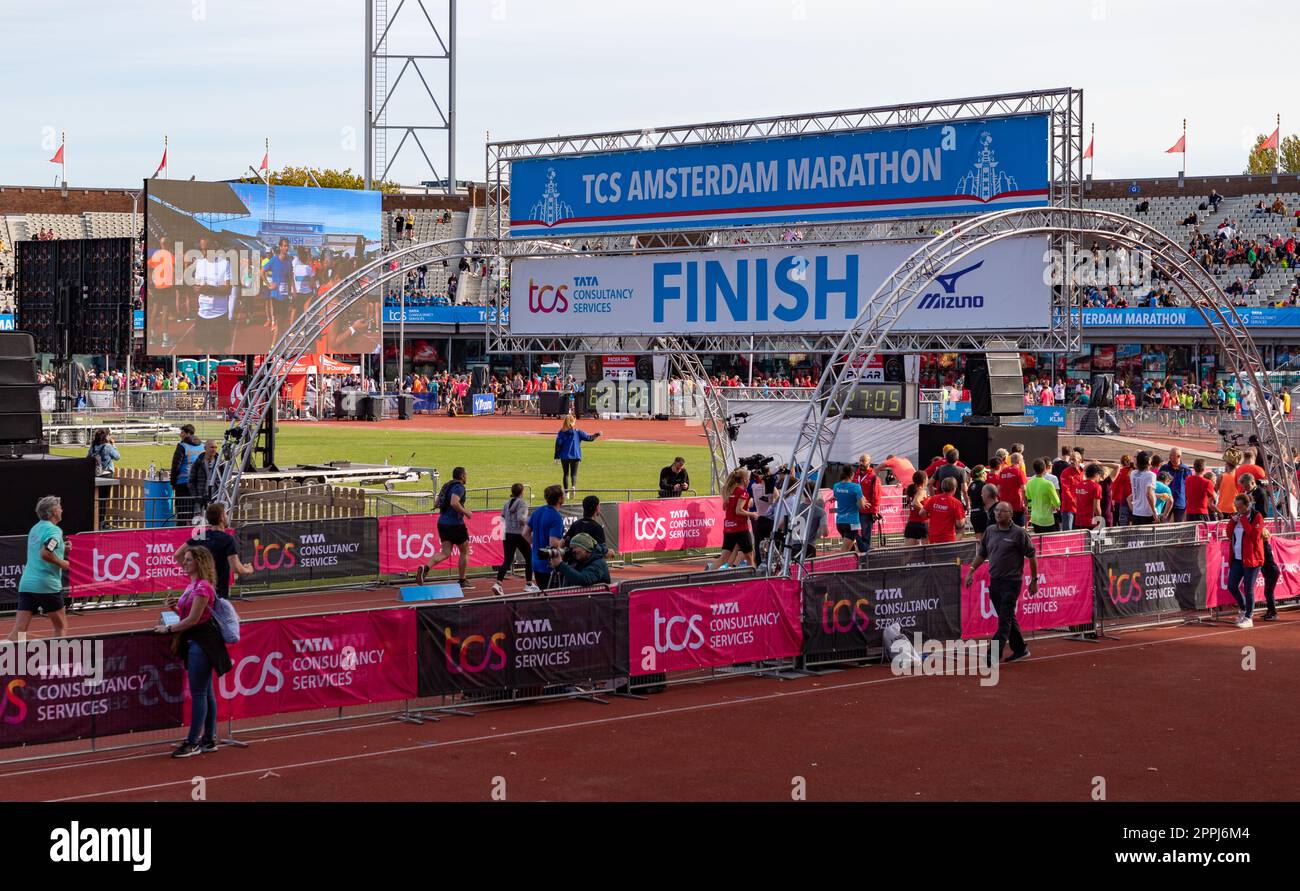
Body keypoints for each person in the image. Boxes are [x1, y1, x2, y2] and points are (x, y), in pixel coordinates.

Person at [154, 546, 232, 757]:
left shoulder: (202, 587)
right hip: (197, 641)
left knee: (199, 694)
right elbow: (189, 615)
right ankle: (208, 739)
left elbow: (193, 620)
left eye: (189, 560)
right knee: (206, 693)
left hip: (203, 643)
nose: (184, 563)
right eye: (185, 560)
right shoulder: (194, 586)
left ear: (199, 562)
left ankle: (193, 742)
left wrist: (167, 628)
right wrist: (174, 609)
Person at [965, 502, 1038, 665]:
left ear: (1011, 513)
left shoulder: (1019, 533)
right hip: (995, 581)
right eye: (997, 510)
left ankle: (993, 654)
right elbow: (982, 553)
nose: (998, 513)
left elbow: (1032, 556)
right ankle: (1020, 649)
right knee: (1008, 617)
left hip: (1012, 583)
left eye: (1002, 511)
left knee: (1004, 621)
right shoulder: (990, 531)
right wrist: (971, 571)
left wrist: (1034, 580)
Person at [8, 497, 71, 641]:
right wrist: (62, 563)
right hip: (47, 585)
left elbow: (46, 549)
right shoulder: (55, 531)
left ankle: (7, 661)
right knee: (60, 627)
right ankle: (57, 661)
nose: (62, 510)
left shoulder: (35, 528)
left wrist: (62, 548)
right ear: (54, 511)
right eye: (60, 507)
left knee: (19, 631)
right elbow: (45, 553)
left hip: (28, 584)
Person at [415, 466, 474, 590]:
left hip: (442, 523)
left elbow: (436, 504)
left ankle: (425, 568)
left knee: (445, 553)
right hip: (455, 524)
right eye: (466, 474)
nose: (467, 477)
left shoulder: (446, 486)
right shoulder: (459, 487)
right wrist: (466, 512)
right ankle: (463, 580)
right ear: (462, 476)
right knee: (465, 551)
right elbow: (454, 502)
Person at [178, 503, 251, 601]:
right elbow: (236, 567)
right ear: (221, 517)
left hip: (201, 589)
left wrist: (191, 572)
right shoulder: (227, 539)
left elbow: (178, 554)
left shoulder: (201, 535)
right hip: (218, 592)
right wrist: (248, 569)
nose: (226, 516)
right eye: (225, 514)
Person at [1225, 494, 1264, 629]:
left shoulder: (1257, 516)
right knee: (1231, 585)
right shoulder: (1237, 516)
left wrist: (1243, 520)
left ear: (1247, 506)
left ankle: (1249, 617)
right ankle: (1243, 609)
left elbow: (1254, 536)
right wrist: (1232, 522)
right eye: (1236, 506)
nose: (1238, 509)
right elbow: (1228, 534)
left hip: (1252, 559)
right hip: (1237, 558)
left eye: (1240, 507)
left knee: (1248, 588)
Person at [709, 468, 757, 570]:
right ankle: (754, 577)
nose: (749, 481)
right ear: (744, 480)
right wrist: (752, 514)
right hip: (740, 528)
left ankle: (707, 574)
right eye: (748, 479)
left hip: (728, 528)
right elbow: (738, 510)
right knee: (749, 556)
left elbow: (725, 507)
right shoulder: (743, 493)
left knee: (724, 557)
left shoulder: (730, 492)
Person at [493, 483, 533, 596]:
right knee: (529, 558)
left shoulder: (506, 503)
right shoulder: (523, 503)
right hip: (519, 534)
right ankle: (529, 584)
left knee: (507, 560)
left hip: (508, 534)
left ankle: (498, 584)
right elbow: (521, 519)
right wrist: (530, 524)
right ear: (522, 492)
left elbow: (503, 517)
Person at [526, 485, 567, 592]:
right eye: (563, 494)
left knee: (545, 595)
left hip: (535, 562)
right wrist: (565, 545)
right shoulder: (556, 517)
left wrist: (535, 545)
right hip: (548, 566)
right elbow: (553, 543)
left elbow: (525, 533)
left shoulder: (538, 511)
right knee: (554, 598)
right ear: (559, 498)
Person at [554, 414, 600, 497]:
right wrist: (597, 434)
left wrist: (556, 457)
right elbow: (589, 438)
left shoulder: (561, 432)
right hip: (575, 455)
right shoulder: (577, 432)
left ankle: (566, 493)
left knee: (565, 474)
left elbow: (558, 445)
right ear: (572, 422)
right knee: (574, 474)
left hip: (564, 456)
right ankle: (573, 486)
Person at [170, 424, 205, 522]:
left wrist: (173, 482)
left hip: (183, 484)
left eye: (182, 433)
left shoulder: (182, 446)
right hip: (198, 484)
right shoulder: (202, 446)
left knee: (183, 513)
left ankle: (181, 534)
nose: (180, 435)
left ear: (188, 434)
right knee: (197, 514)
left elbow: (175, 466)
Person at [850, 453, 882, 554]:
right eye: (860, 460)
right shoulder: (856, 474)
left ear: (869, 462)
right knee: (853, 532)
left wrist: (874, 511)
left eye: (863, 461)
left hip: (866, 512)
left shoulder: (873, 476)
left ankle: (865, 559)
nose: (860, 463)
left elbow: (876, 495)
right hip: (855, 510)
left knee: (865, 536)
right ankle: (864, 552)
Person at [832, 465, 867, 552]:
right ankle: (838, 565)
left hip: (840, 522)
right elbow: (861, 506)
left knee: (852, 549)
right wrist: (864, 501)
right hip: (852, 522)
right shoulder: (856, 487)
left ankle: (854, 565)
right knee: (844, 551)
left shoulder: (836, 486)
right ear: (852, 474)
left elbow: (837, 497)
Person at [921, 477, 966, 544]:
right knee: (962, 529)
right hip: (948, 538)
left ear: (942, 487)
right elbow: (960, 523)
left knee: (935, 554)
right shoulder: (956, 503)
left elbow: (921, 513)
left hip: (933, 536)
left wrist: (931, 516)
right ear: (954, 488)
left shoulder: (933, 499)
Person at [1025, 459, 1061, 534]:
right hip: (1047, 519)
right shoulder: (1049, 484)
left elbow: (1029, 500)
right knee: (1049, 543)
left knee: (1039, 542)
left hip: (1034, 518)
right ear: (1045, 468)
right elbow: (1057, 503)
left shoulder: (1029, 482)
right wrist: (1053, 504)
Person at [1158, 448, 1193, 523]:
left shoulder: (1186, 470)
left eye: (1172, 455)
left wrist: (1187, 501)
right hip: (1165, 502)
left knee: (1178, 526)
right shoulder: (1164, 468)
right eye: (1169, 455)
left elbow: (1190, 487)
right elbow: (1158, 483)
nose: (1169, 457)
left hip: (1180, 503)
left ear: (1178, 456)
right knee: (1163, 526)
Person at [187, 440, 221, 516]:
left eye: (215, 447)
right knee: (200, 521)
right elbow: (191, 481)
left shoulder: (221, 463)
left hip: (216, 497)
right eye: (211, 447)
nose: (214, 449)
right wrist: (196, 496)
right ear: (205, 448)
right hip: (201, 497)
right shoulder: (198, 462)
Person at [995, 453, 1029, 527]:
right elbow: (1024, 489)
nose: (1023, 462)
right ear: (1019, 461)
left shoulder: (1003, 471)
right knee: (1020, 530)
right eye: (1022, 460)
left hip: (1005, 506)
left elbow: (998, 489)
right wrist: (1026, 504)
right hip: (1017, 506)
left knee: (1006, 529)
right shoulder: (1019, 472)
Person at [1128, 451, 1158, 526]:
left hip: (1136, 511)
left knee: (1138, 536)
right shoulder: (1151, 475)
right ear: (1148, 462)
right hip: (1147, 513)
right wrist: (1154, 512)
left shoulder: (1133, 473)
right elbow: (1148, 494)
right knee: (1148, 536)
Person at [1073, 464, 1104, 530]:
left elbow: (1075, 502)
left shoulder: (1079, 485)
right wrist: (1100, 518)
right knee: (1091, 540)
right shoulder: (1096, 486)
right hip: (1091, 522)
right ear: (1096, 474)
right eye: (1099, 476)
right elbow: (1096, 507)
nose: (1099, 478)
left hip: (1078, 520)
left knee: (1080, 540)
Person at [903, 471, 928, 545]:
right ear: (924, 480)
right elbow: (915, 503)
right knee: (928, 552)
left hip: (911, 523)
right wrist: (926, 511)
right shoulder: (921, 491)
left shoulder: (910, 490)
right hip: (922, 523)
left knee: (909, 553)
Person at [967, 467, 991, 534]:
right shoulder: (984, 485)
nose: (986, 474)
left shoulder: (971, 485)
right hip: (982, 514)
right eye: (985, 472)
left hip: (973, 514)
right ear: (982, 474)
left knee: (978, 540)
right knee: (986, 539)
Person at [1111, 455, 1134, 526]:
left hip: (1122, 499)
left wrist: (1112, 498)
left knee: (1122, 521)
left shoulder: (1121, 471)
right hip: (1134, 499)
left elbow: (1115, 485)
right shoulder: (1135, 471)